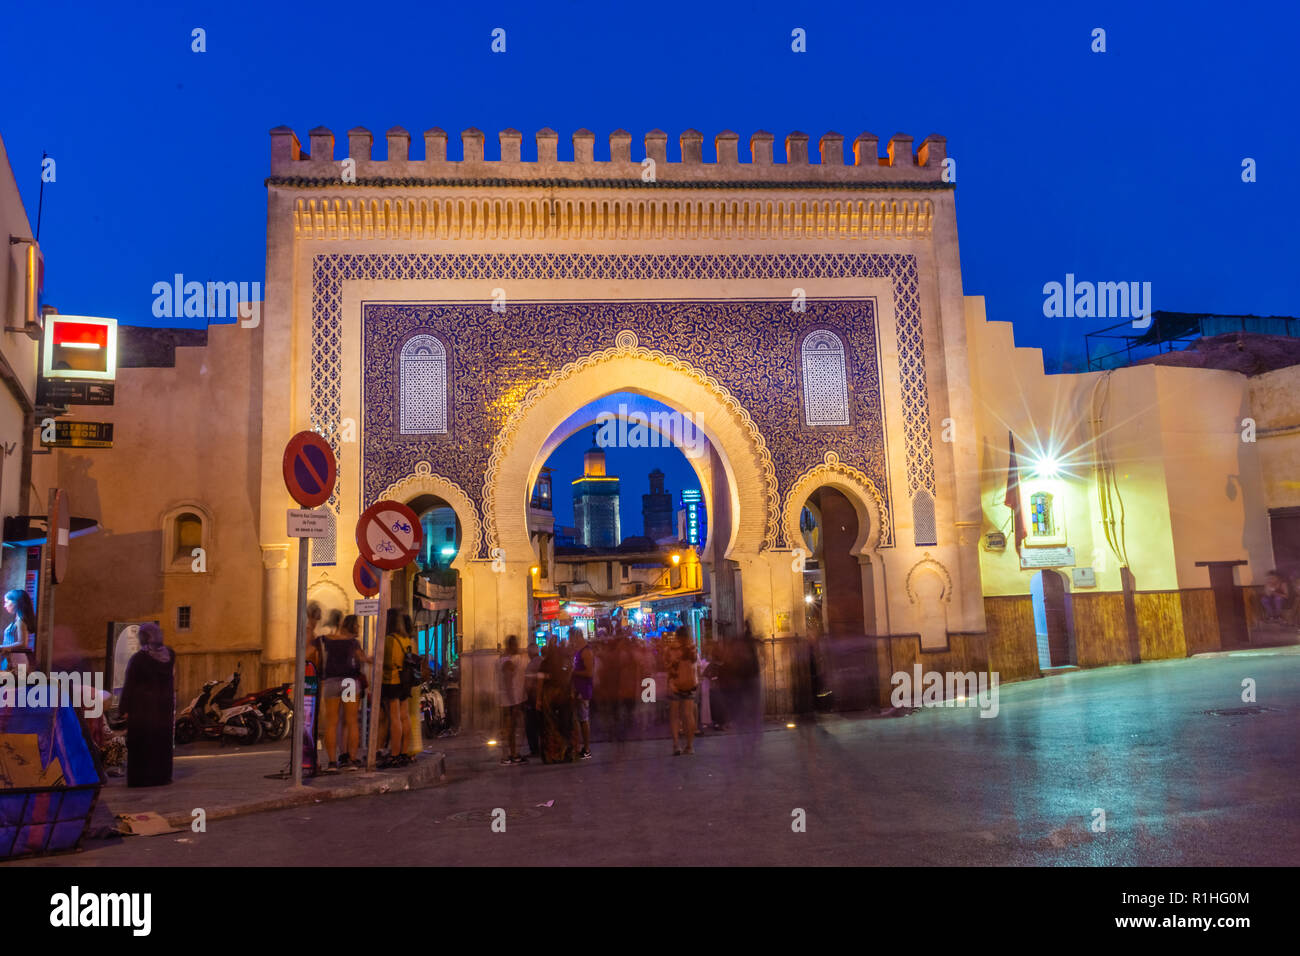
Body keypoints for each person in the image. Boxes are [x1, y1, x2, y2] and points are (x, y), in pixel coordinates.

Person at [308, 613, 369, 772]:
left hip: (331, 682)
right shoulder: (352, 643)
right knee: (351, 721)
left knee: (332, 723)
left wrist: (311, 629)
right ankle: (352, 760)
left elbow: (306, 652)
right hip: (349, 682)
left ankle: (333, 763)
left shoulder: (323, 639)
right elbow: (363, 659)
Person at [118, 622, 176, 787]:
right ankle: (162, 777)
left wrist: (124, 708)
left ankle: (142, 779)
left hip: (142, 710)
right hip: (163, 709)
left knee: (142, 745)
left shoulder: (139, 659)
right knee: (161, 744)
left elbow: (130, 684)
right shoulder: (170, 655)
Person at [380, 608, 415, 767]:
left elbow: (386, 662)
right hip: (405, 681)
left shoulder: (390, 639)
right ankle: (404, 752)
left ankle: (394, 754)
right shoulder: (407, 639)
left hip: (392, 680)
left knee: (394, 718)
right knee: (404, 716)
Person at [665, 626, 699, 755]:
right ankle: (689, 746)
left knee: (674, 716)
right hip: (690, 685)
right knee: (688, 715)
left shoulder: (670, 649)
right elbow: (695, 662)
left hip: (675, 684)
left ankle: (676, 745)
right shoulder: (692, 648)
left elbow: (666, 665)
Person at [497, 635, 528, 764]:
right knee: (510, 728)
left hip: (511, 699)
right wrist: (513, 701)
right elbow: (508, 681)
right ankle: (510, 755)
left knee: (512, 728)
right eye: (515, 644)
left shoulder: (506, 659)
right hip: (510, 700)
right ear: (511, 645)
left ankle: (512, 754)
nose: (517, 647)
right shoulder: (507, 661)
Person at [570, 627, 595, 759]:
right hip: (578, 689)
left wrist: (573, 672)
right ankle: (579, 747)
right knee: (579, 719)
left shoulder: (586, 652)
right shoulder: (578, 651)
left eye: (571, 638)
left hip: (584, 690)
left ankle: (586, 748)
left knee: (584, 720)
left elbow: (589, 672)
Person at [1, 589, 37, 672]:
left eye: (7, 602)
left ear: (16, 603)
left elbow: (23, 643)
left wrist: (3, 647)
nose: (5, 605)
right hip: (10, 661)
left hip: (17, 662)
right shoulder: (16, 620)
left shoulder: (20, 620)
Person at [523, 642, 543, 757]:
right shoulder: (543, 661)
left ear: (530, 653)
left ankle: (534, 750)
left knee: (531, 726)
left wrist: (526, 697)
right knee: (541, 725)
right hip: (543, 698)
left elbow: (528, 685)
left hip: (533, 698)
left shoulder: (531, 665)